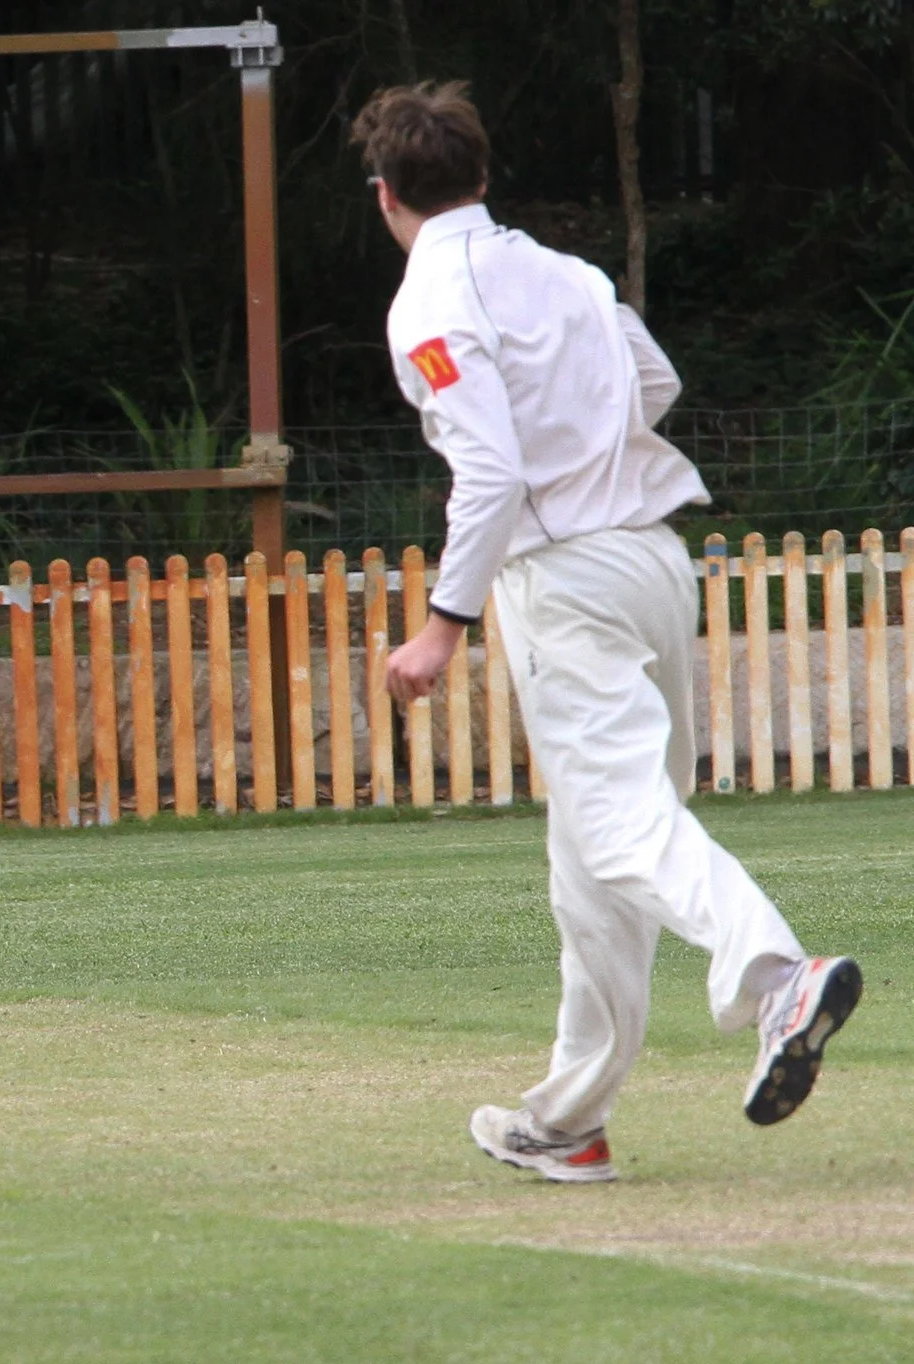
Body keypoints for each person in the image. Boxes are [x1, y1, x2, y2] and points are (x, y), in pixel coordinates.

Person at [353, 83, 861, 1182]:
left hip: (565, 577)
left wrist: (440, 625)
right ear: (481, 177)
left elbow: (487, 469)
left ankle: (775, 977)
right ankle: (565, 1121)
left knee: (621, 822)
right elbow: (654, 379)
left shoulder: (428, 302)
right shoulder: (568, 274)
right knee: (597, 859)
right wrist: (587, 448)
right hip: (650, 557)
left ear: (384, 194)